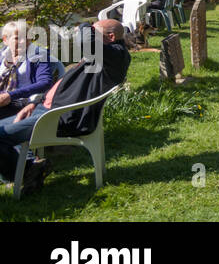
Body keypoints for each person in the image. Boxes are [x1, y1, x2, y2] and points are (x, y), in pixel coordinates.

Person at [0, 19, 130, 194]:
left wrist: (84, 25)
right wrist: (34, 103)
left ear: (111, 37)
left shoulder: (116, 56)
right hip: (45, 109)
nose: (88, 33)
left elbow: (86, 41)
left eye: (94, 31)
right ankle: (27, 171)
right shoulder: (104, 54)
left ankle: (25, 173)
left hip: (58, 117)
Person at [0, 22, 64, 120]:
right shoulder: (2, 55)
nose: (23, 41)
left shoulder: (38, 55)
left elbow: (45, 82)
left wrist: (10, 96)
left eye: (26, 37)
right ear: (5, 40)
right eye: (17, 38)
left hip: (22, 104)